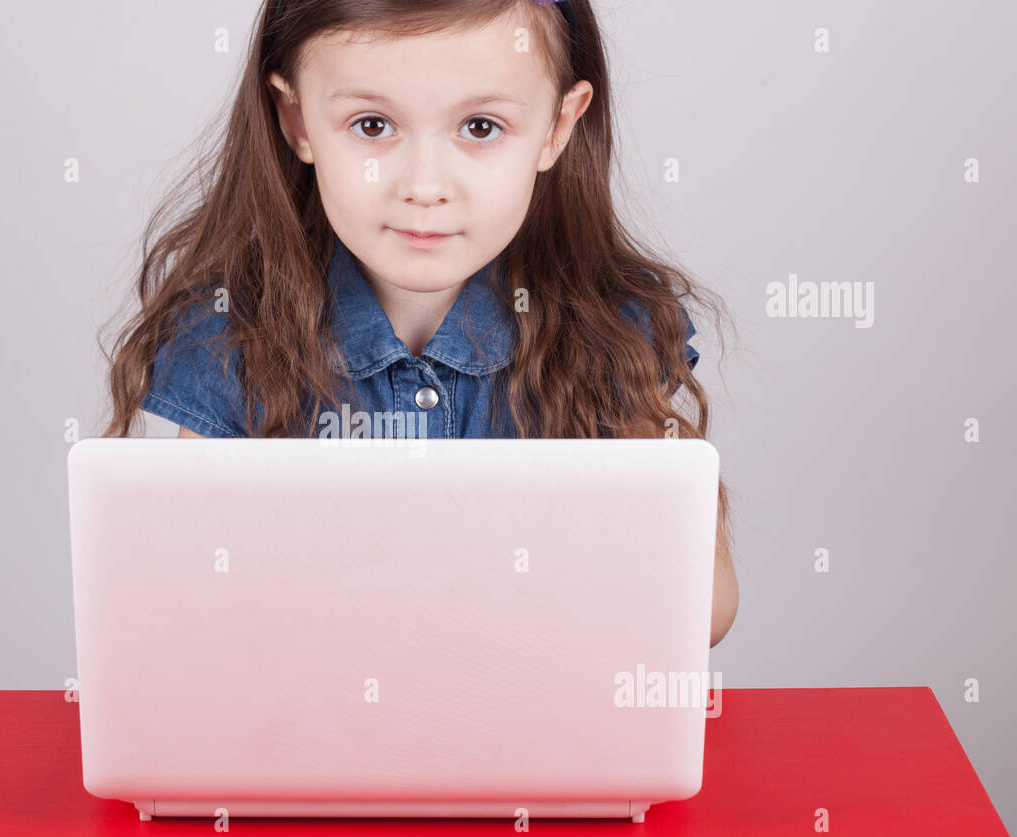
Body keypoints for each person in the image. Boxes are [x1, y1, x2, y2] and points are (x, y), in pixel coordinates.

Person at [101, 0, 738, 645]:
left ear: (556, 127)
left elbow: (703, 606)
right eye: (373, 125)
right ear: (296, 121)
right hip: (312, 731)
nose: (425, 186)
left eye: (482, 127)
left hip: (534, 726)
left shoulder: (613, 330)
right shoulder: (228, 336)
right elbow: (193, 600)